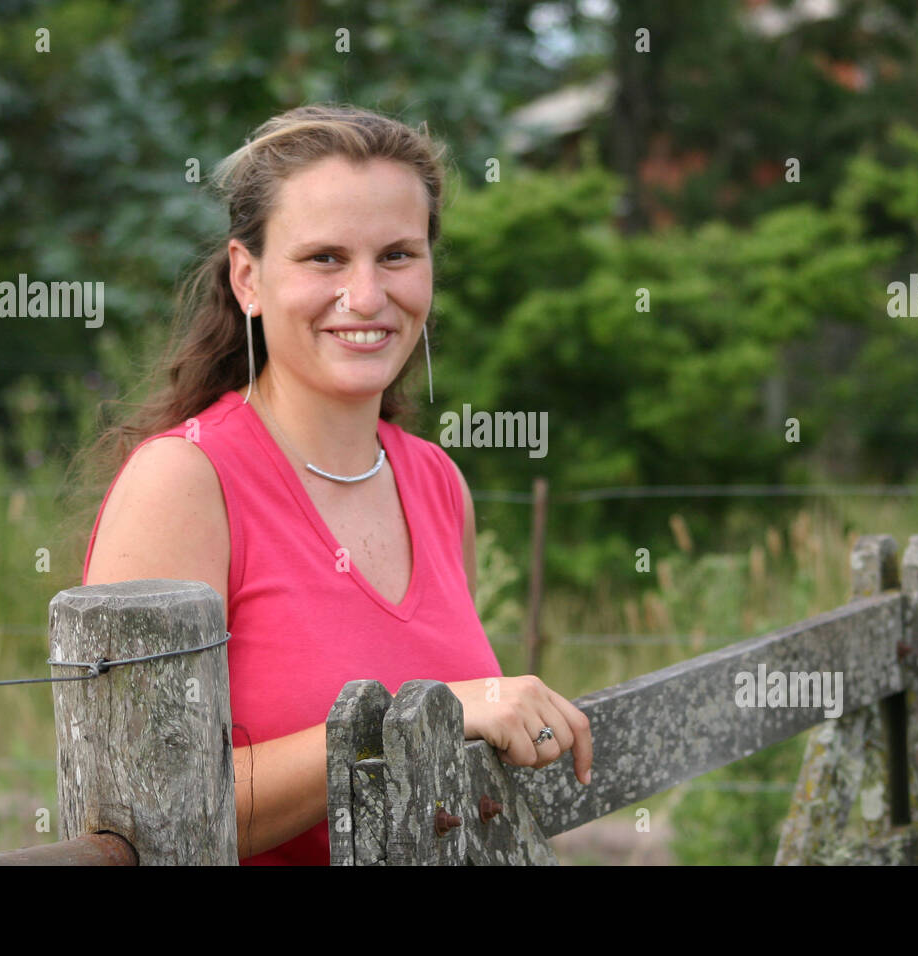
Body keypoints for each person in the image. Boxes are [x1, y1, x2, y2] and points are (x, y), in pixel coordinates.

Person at [78, 104, 592, 865]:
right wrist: (429, 720)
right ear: (247, 277)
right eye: (324, 258)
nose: (366, 295)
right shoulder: (184, 481)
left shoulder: (438, 483)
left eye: (396, 255)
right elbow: (148, 815)